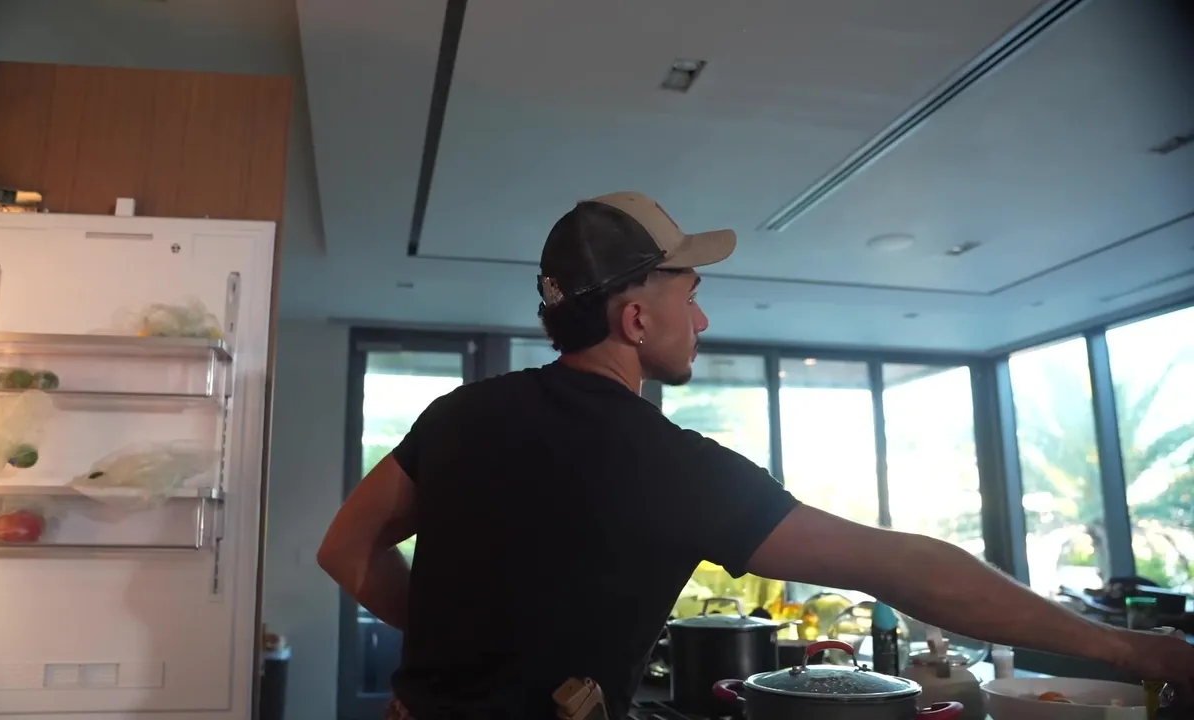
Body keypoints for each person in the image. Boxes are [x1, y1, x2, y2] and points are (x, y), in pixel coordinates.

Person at [317, 191, 1194, 720]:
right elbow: (902, 567)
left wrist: (457, 654)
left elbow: (346, 550)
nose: (701, 319)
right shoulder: (668, 465)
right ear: (636, 318)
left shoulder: (458, 414)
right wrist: (1130, 652)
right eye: (690, 295)